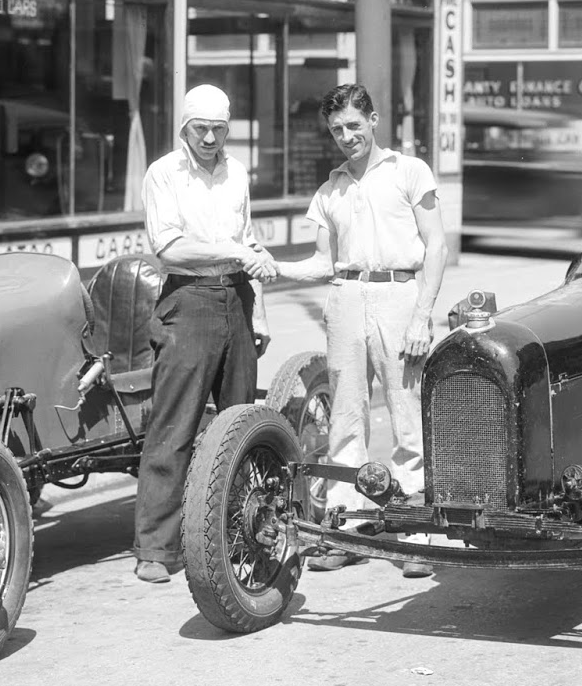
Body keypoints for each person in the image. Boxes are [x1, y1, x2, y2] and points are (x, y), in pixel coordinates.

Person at [274, 83, 447, 578]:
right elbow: (321, 261)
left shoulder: (409, 172)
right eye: (336, 130)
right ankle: (349, 529)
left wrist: (422, 316)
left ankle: (416, 530)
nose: (347, 136)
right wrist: (275, 268)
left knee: (405, 410)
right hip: (346, 298)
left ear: (373, 119)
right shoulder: (331, 189)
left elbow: (435, 247)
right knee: (346, 416)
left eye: (354, 125)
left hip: (399, 295)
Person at [132, 84, 274, 583]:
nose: (210, 138)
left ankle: (241, 536)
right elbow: (168, 249)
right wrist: (233, 253)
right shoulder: (163, 174)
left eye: (219, 128)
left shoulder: (237, 174)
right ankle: (155, 549)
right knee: (175, 426)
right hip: (188, 301)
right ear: (183, 128)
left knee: (238, 424)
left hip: (237, 297)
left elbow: (249, 240)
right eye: (200, 129)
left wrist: (259, 312)